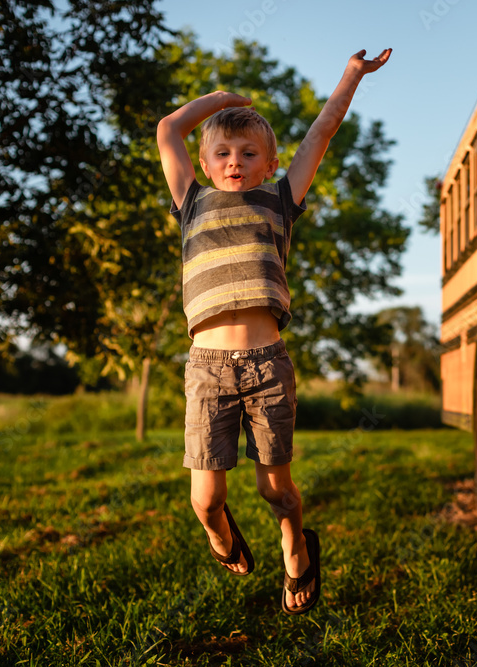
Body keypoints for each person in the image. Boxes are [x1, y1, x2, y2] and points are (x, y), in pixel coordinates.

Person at [156, 47, 392, 615]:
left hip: (266, 364)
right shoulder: (191, 203)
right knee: (206, 500)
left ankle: (296, 550)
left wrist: (351, 75)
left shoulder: (280, 200)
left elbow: (323, 131)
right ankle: (221, 537)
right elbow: (169, 130)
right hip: (207, 369)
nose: (234, 160)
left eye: (248, 152)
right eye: (223, 152)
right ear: (207, 164)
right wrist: (222, 102)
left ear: (268, 163)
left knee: (275, 490)